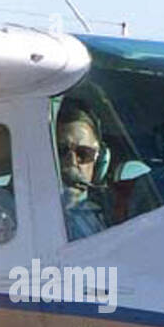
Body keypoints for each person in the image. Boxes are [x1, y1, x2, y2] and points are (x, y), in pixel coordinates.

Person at [55, 99, 109, 239]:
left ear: (100, 159)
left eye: (83, 153)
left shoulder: (111, 215)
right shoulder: (23, 217)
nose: (71, 163)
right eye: (61, 151)